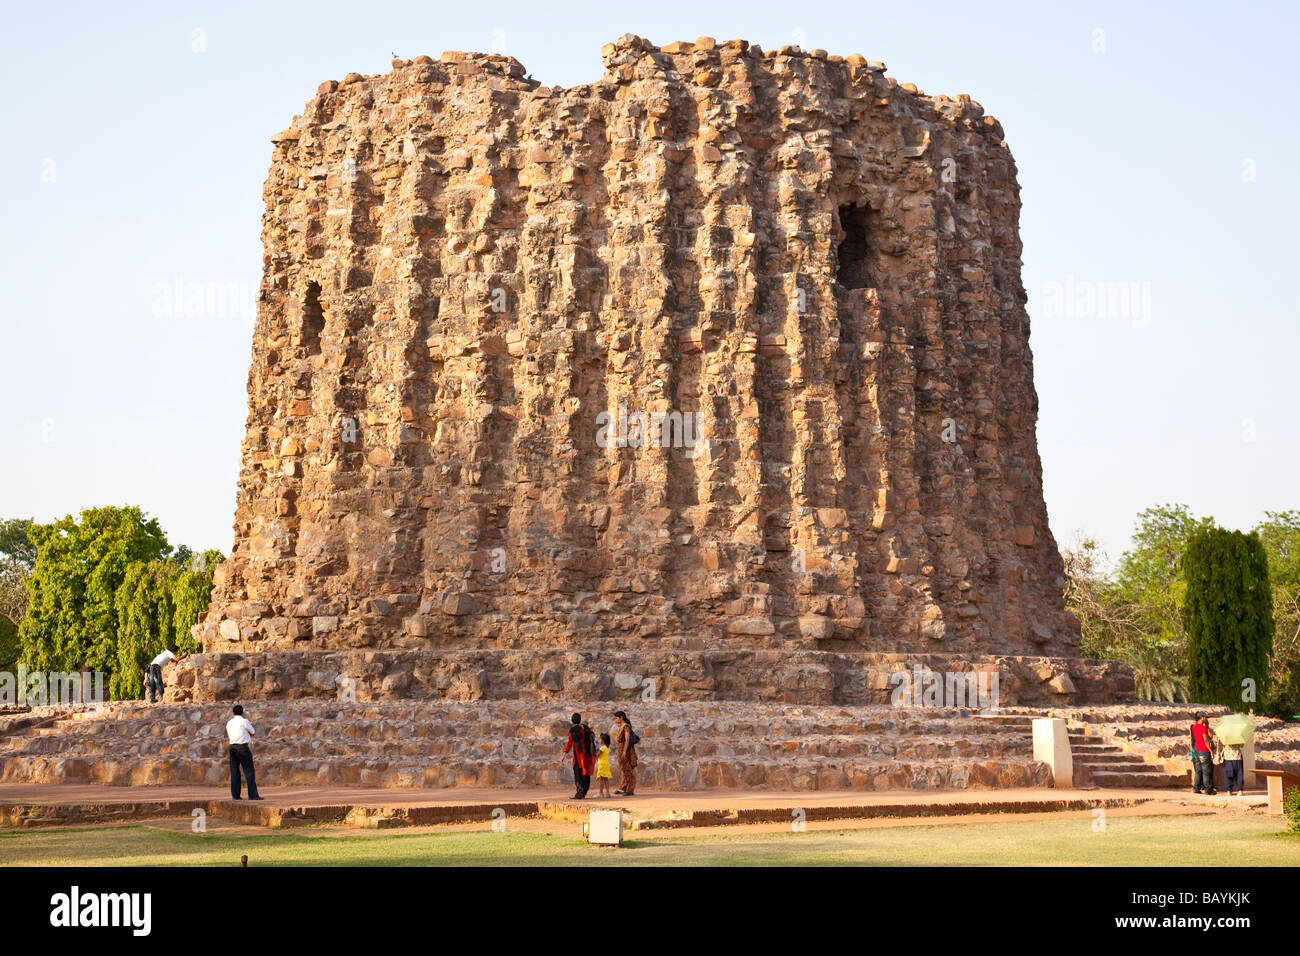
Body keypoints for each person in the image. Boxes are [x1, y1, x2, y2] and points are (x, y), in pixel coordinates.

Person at [226, 704, 262, 800]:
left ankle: (236, 795)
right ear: (242, 712)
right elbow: (253, 732)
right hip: (242, 747)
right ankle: (253, 795)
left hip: (232, 747)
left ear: (233, 713)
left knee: (235, 772)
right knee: (249, 771)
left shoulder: (229, 723)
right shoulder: (244, 721)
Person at [562, 712, 594, 799]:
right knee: (586, 773)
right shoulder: (586, 728)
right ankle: (584, 792)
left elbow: (570, 743)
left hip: (579, 756)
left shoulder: (573, 730)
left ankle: (580, 793)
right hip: (587, 755)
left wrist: (564, 754)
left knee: (578, 773)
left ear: (572, 720)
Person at [613, 710, 638, 796]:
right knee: (623, 769)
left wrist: (624, 751)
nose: (615, 720)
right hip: (621, 750)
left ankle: (630, 789)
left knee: (628, 769)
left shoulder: (626, 727)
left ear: (621, 718)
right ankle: (623, 787)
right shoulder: (622, 726)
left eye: (616, 718)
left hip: (625, 750)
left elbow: (627, 740)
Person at [1190, 713, 1216, 795]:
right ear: (1201, 717)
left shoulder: (1194, 727)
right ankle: (1208, 790)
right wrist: (1211, 751)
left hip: (1197, 751)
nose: (1206, 719)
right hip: (1204, 751)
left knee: (1198, 771)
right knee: (1206, 771)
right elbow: (1206, 740)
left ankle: (1196, 788)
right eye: (1205, 717)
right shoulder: (1203, 728)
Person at [595, 733, 613, 798]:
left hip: (601, 764)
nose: (599, 740)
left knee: (601, 780)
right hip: (606, 764)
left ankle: (601, 793)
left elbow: (598, 755)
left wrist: (595, 752)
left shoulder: (602, 748)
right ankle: (608, 793)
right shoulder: (607, 748)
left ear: (603, 740)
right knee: (606, 779)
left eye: (600, 739)